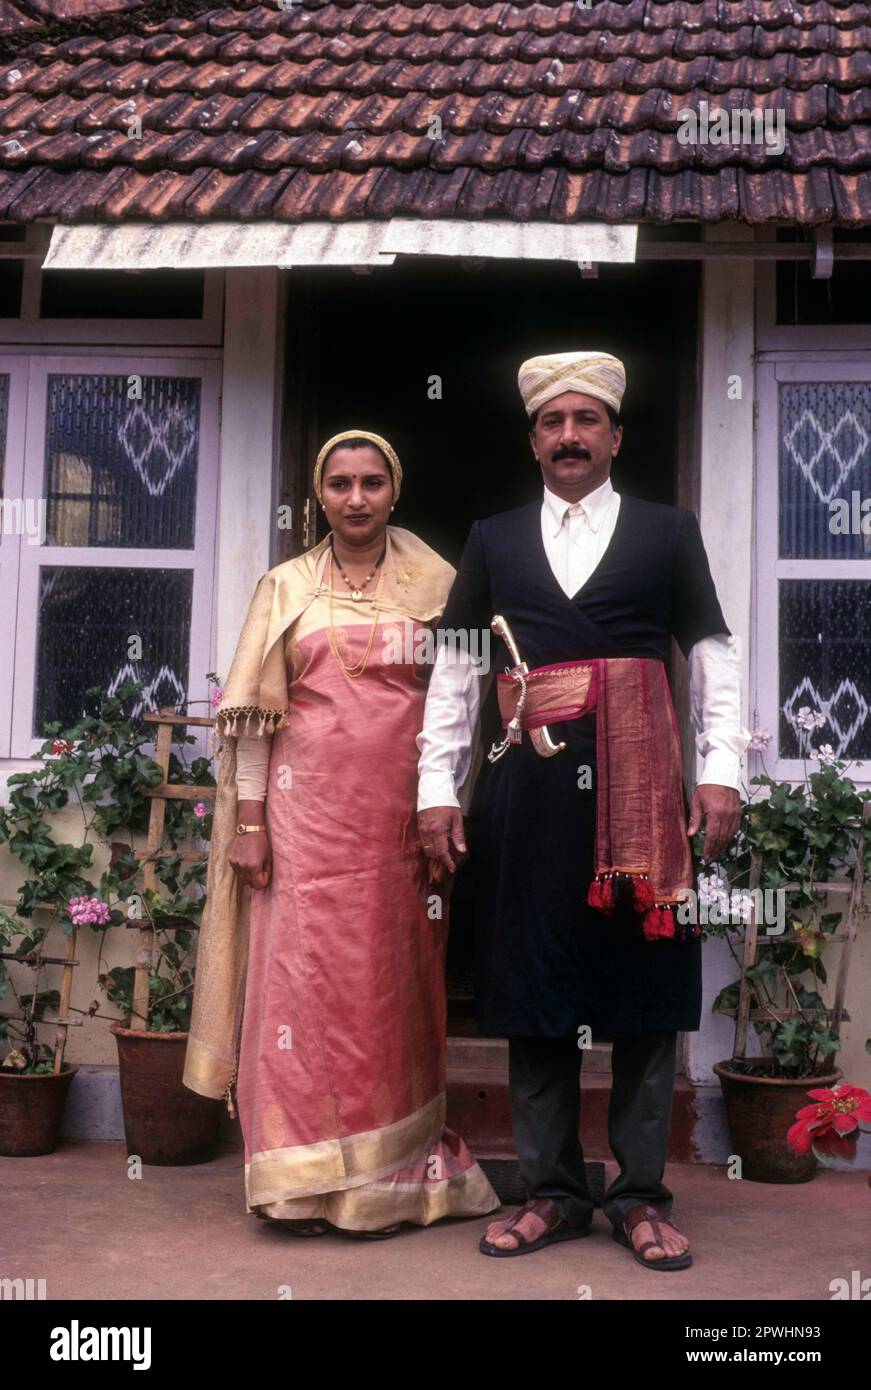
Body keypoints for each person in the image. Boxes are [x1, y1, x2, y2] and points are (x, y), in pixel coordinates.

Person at [416, 352, 751, 1267]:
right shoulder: (492, 539)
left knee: (643, 987)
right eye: (552, 422)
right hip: (528, 790)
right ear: (533, 441)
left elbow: (711, 651)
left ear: (614, 436)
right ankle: (553, 1194)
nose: (569, 436)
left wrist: (721, 771)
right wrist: (436, 787)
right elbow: (457, 666)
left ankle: (638, 1196)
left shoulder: (667, 532)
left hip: (641, 789)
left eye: (586, 420)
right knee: (533, 983)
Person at [183, 428, 498, 1237]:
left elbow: (463, 705)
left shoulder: (440, 584)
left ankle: (385, 1187)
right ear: (318, 496)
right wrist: (250, 822)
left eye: (370, 483)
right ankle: (295, 1185)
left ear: (394, 491)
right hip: (302, 826)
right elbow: (256, 718)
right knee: (298, 991)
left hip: (400, 827)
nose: (355, 498)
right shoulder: (285, 586)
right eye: (339, 484)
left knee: (389, 992)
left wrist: (448, 808)